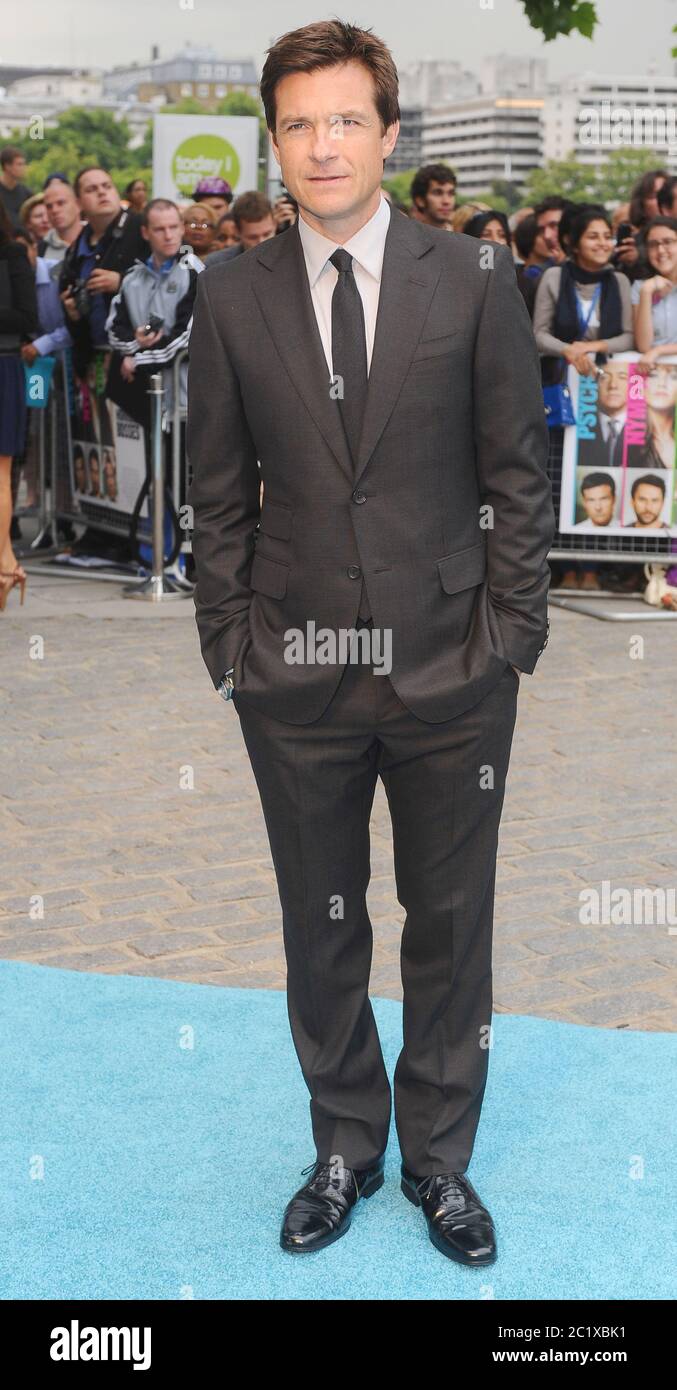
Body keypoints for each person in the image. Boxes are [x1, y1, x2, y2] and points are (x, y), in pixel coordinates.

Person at [187, 17, 554, 1267]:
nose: (322, 144)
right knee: (319, 921)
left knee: (450, 919)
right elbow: (217, 492)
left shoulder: (472, 278)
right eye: (298, 123)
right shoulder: (229, 296)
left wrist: (510, 630)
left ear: (388, 134)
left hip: (455, 665)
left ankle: (437, 1160)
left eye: (346, 119)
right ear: (275, 143)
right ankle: (344, 1144)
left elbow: (517, 461)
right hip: (292, 672)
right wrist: (230, 646)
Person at [534, 205, 635, 590]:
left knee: (596, 472)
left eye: (607, 236)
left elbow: (629, 337)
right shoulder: (555, 278)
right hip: (559, 390)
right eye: (593, 236)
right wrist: (568, 351)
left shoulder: (618, 283)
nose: (604, 243)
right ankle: (561, 568)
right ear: (574, 241)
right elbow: (537, 333)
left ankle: (592, 567)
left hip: (601, 394)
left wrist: (593, 346)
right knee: (558, 477)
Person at [106, 197, 203, 427]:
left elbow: (186, 338)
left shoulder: (195, 272)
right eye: (159, 229)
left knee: (179, 462)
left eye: (173, 227)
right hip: (143, 401)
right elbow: (113, 329)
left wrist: (137, 361)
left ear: (181, 228)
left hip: (185, 404)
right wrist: (135, 341)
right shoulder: (132, 277)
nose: (168, 235)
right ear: (145, 232)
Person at [59, 166, 147, 377]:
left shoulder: (144, 228)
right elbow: (77, 326)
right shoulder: (75, 250)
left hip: (139, 359)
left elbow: (175, 279)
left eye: (107, 186)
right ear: (79, 203)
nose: (102, 192)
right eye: (92, 189)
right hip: (95, 361)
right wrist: (73, 315)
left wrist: (123, 281)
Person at [0, 203, 38, 608]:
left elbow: (27, 317)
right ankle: (8, 565)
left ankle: (5, 565)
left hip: (3, 365)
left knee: (1, 473)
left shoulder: (12, 253)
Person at [633, 216, 677, 369]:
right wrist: (646, 292)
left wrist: (659, 350)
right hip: (654, 377)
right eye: (653, 245)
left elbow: (651, 350)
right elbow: (644, 345)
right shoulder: (640, 287)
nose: (660, 250)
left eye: (668, 242)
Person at [205, 192, 276, 266]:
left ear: (275, 224)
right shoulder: (218, 263)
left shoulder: (288, 259)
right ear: (237, 231)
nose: (262, 242)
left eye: (267, 234)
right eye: (252, 237)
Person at [42, 178, 83, 263]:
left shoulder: (99, 239)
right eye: (49, 206)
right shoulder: (41, 250)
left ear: (78, 204)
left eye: (61, 203)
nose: (54, 210)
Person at [410, 163, 457, 227]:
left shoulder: (463, 236)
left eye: (451, 193)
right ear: (420, 200)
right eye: (438, 193)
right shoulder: (406, 235)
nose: (446, 201)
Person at [0, 146, 32, 230]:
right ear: (7, 166)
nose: (24, 168)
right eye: (19, 164)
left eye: (24, 164)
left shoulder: (27, 193)